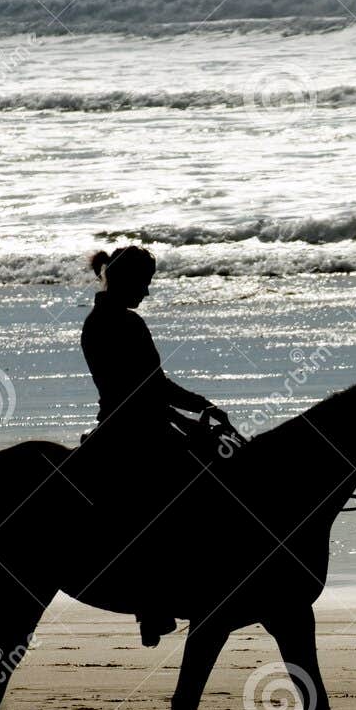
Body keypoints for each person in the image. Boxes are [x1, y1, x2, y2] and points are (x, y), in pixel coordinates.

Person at [79, 245, 234, 646]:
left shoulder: (100, 320)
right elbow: (147, 391)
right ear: (128, 281)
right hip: (133, 431)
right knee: (183, 497)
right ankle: (156, 603)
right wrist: (194, 414)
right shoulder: (124, 324)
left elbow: (151, 388)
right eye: (144, 284)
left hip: (129, 425)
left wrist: (199, 407)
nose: (146, 293)